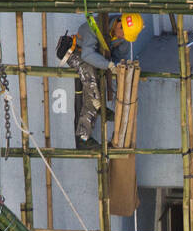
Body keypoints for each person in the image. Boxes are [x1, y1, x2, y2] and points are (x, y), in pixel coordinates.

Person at [59, 13, 144, 149]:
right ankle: (83, 138)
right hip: (74, 52)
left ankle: (98, 107)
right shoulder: (96, 26)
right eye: (123, 34)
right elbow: (87, 54)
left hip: (95, 58)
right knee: (91, 84)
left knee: (95, 84)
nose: (123, 38)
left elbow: (120, 56)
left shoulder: (124, 34)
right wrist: (108, 65)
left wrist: (116, 66)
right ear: (118, 24)